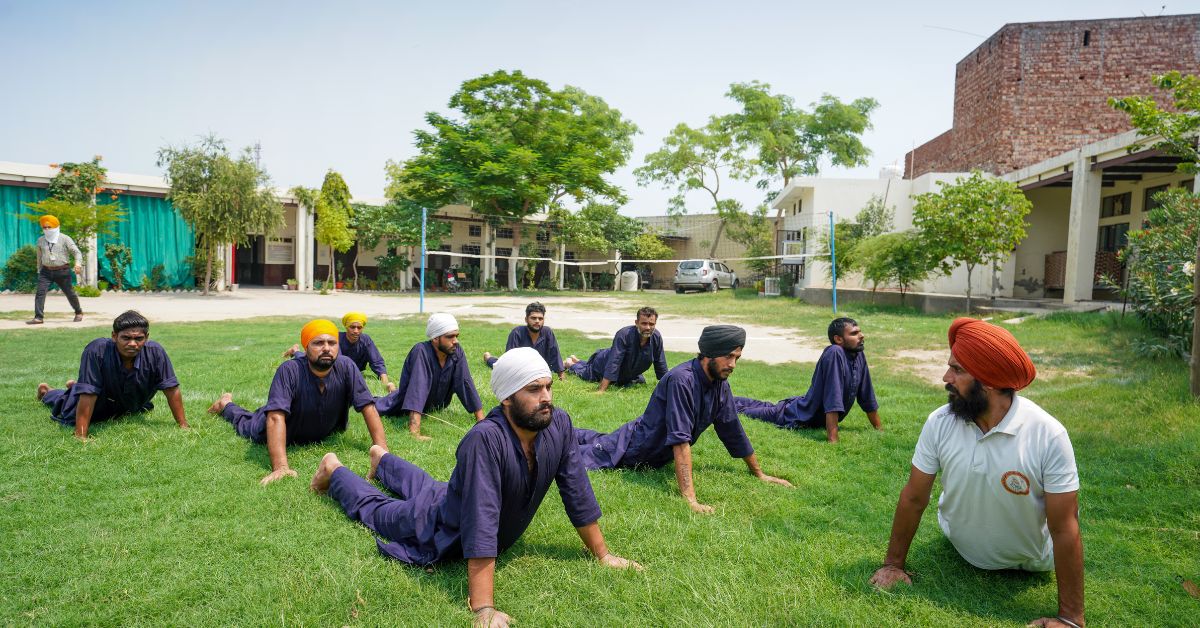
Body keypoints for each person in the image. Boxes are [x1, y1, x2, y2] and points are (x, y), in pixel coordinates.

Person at [310, 347, 642, 627]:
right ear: (508, 399)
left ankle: (381, 459)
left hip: (448, 496)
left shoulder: (559, 425)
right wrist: (483, 607)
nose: (546, 399)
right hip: (436, 523)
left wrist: (603, 555)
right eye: (533, 390)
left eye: (548, 387)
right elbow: (481, 518)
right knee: (378, 510)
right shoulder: (485, 440)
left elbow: (577, 491)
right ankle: (334, 470)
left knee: (429, 486)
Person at [869, 318, 1084, 628]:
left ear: (992, 382)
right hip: (960, 547)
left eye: (958, 370)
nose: (946, 377)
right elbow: (914, 497)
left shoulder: (1047, 434)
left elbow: (1064, 527)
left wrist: (1071, 619)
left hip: (1032, 561)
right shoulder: (940, 422)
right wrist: (893, 565)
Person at [574, 325, 792, 514]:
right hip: (632, 450)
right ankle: (552, 434)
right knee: (578, 455)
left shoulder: (719, 384)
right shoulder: (682, 380)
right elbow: (680, 440)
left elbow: (732, 429)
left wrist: (759, 473)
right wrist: (690, 499)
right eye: (728, 356)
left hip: (649, 450)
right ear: (710, 353)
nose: (733, 364)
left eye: (737, 358)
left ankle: (564, 430)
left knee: (594, 438)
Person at [208, 319, 388, 485]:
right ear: (306, 347)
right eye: (318, 343)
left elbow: (368, 406)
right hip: (283, 430)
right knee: (248, 424)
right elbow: (275, 418)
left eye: (332, 343)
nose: (326, 348)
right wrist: (281, 468)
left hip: (321, 429)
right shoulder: (290, 370)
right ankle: (226, 405)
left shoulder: (346, 366)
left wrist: (383, 453)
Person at [37, 310, 188, 440]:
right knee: (67, 402)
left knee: (93, 394)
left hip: (128, 403)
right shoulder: (96, 350)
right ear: (114, 336)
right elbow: (88, 396)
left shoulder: (156, 352)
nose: (133, 344)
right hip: (99, 402)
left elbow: (171, 389)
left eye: (139, 339)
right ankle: (48, 392)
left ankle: (76, 386)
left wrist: (183, 426)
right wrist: (80, 436)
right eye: (126, 338)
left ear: (146, 337)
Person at [733, 317, 882, 443]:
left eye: (859, 332)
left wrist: (879, 429)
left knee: (766, 406)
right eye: (854, 333)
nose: (861, 336)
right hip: (796, 416)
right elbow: (833, 397)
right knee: (746, 411)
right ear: (838, 339)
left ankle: (727, 398)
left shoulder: (858, 354)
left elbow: (866, 395)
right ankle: (723, 401)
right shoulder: (834, 353)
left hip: (798, 407)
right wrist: (833, 439)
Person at [373, 313, 485, 440]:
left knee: (395, 391)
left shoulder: (456, 350)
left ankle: (392, 388)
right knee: (378, 406)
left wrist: (481, 420)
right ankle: (392, 390)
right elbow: (418, 388)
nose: (455, 341)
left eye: (456, 336)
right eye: (450, 337)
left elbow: (465, 382)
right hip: (405, 403)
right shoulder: (421, 351)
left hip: (434, 404)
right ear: (435, 338)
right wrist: (415, 432)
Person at [282, 311, 395, 392]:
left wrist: (386, 383)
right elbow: (337, 363)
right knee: (304, 361)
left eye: (359, 327)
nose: (356, 331)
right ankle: (295, 351)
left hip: (353, 369)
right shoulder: (336, 339)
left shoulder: (366, 340)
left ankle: (295, 350)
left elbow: (377, 362)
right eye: (352, 327)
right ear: (346, 327)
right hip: (335, 365)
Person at [563, 306, 668, 393]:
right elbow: (614, 362)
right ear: (636, 322)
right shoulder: (624, 334)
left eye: (651, 324)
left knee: (637, 381)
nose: (648, 327)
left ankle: (578, 360)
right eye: (644, 323)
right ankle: (570, 364)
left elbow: (660, 363)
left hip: (627, 372)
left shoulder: (656, 337)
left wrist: (667, 387)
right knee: (588, 374)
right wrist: (601, 390)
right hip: (603, 362)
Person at [482, 302, 565, 381]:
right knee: (499, 365)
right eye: (533, 318)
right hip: (521, 368)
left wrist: (561, 375)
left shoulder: (547, 332)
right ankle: (488, 358)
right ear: (526, 319)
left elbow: (555, 353)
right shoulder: (517, 332)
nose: (537, 321)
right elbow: (509, 360)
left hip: (540, 368)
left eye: (540, 318)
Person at [27, 214, 84, 325]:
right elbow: (39, 256)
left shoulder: (65, 238)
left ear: (55, 227)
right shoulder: (40, 240)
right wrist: (39, 270)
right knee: (40, 293)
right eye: (45, 227)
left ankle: (78, 312)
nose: (47, 229)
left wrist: (78, 264)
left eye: (49, 227)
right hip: (46, 271)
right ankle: (38, 317)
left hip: (62, 271)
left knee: (70, 293)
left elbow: (76, 252)